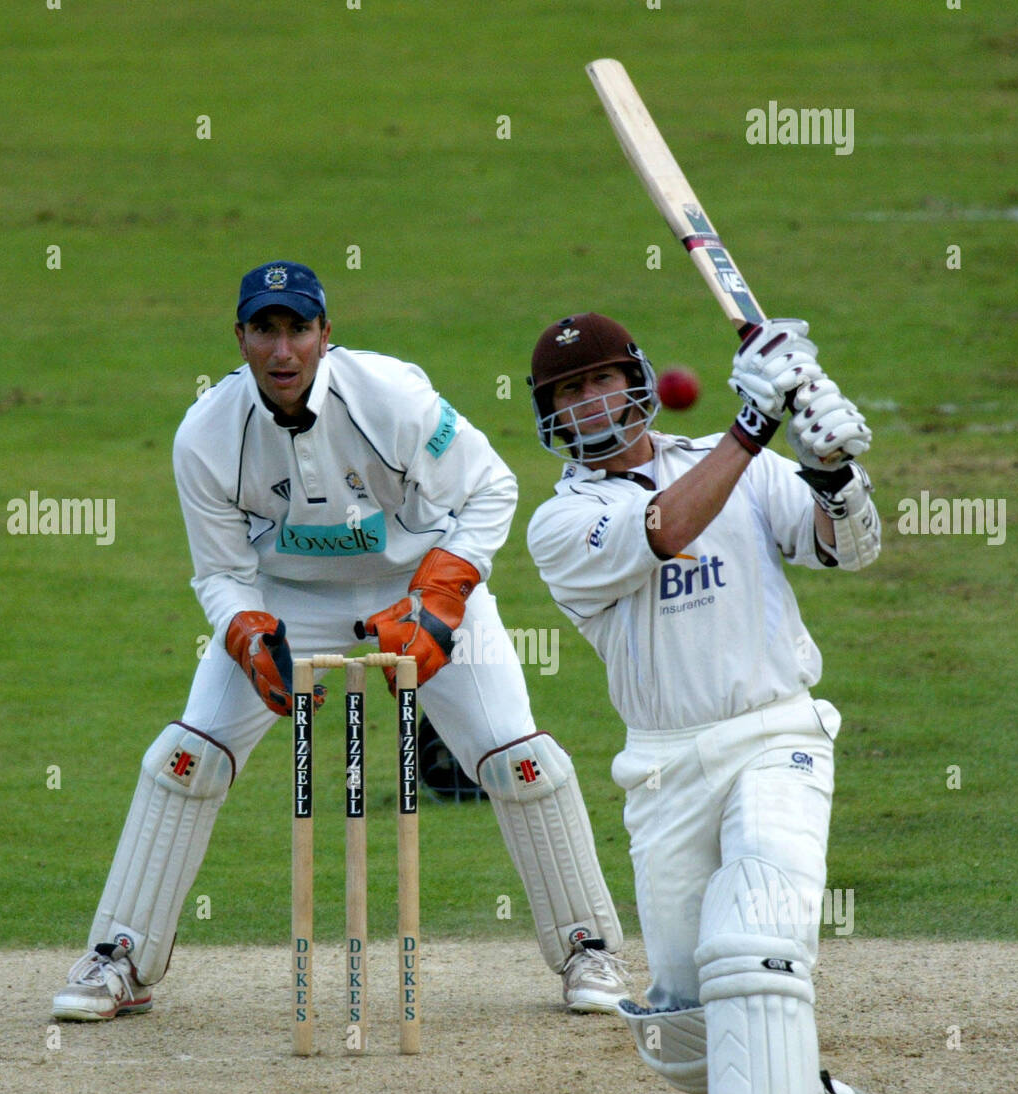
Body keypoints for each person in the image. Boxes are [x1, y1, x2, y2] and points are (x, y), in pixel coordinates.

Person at [51, 262, 629, 1026]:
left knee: (520, 759)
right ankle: (120, 957)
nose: (282, 349)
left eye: (298, 329)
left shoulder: (389, 395)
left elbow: (489, 487)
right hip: (286, 599)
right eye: (266, 329)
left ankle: (588, 948)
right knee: (185, 759)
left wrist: (443, 596)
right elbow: (222, 570)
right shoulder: (206, 434)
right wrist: (244, 630)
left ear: (327, 335)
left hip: (418, 581)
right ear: (241, 338)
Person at [525, 311, 880, 1094]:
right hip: (664, 767)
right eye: (569, 392)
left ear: (637, 380)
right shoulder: (560, 523)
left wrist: (835, 472)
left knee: (753, 942)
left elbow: (848, 551)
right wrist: (754, 427)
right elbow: (667, 526)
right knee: (682, 1029)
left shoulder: (746, 461)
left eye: (603, 379)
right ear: (551, 416)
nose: (591, 401)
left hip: (777, 735)